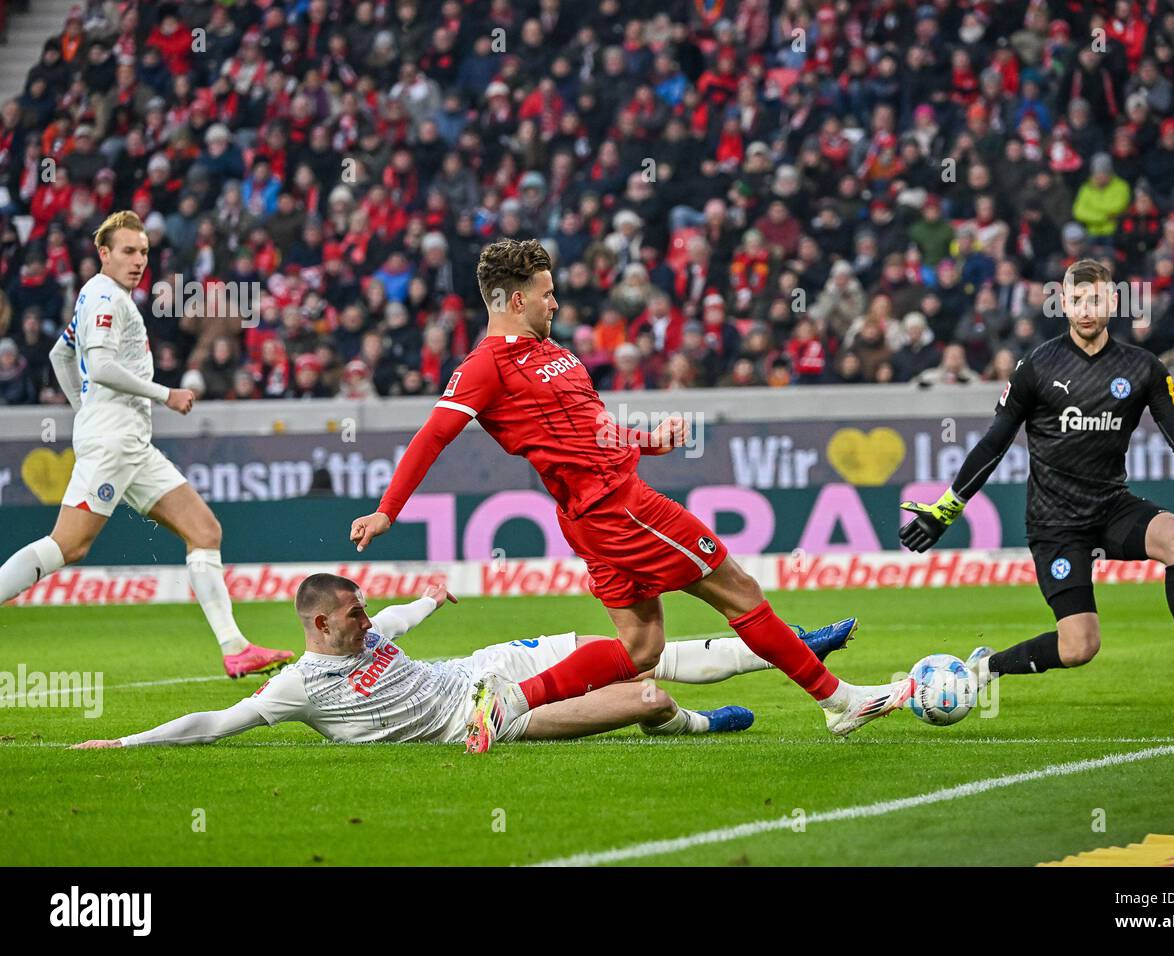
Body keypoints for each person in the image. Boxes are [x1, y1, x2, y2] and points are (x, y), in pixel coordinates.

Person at [349, 239, 912, 753]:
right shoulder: (485, 366)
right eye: (547, 294)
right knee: (740, 590)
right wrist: (386, 511)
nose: (557, 303)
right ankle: (839, 703)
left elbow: (589, 427)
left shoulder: (551, 353)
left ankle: (509, 701)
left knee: (641, 647)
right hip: (619, 509)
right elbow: (431, 437)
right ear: (516, 299)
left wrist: (646, 441)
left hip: (602, 511)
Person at [898, 258, 1174, 709]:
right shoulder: (1036, 366)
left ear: (1113, 302)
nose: (1086, 308)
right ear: (1062, 302)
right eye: (1077, 299)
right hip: (1055, 523)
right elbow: (993, 445)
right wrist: (947, 507)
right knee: (1080, 647)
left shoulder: (1143, 368)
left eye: (1096, 298)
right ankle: (988, 667)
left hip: (1110, 506)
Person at [72, 574, 862, 749]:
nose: (368, 619)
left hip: (491, 664)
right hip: (487, 720)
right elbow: (215, 722)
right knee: (649, 695)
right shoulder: (296, 686)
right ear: (319, 623)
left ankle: (787, 654)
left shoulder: (370, 631)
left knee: (636, 653)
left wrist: (429, 599)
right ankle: (689, 726)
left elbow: (402, 616)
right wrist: (123, 743)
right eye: (353, 614)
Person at [0, 211, 293, 679]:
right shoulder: (103, 296)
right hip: (115, 440)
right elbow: (99, 367)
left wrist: (85, 408)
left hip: (129, 440)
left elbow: (61, 353)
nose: (138, 261)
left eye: (143, 253)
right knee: (68, 546)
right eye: (128, 252)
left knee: (204, 530)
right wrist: (165, 394)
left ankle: (235, 647)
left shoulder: (103, 296)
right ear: (104, 253)